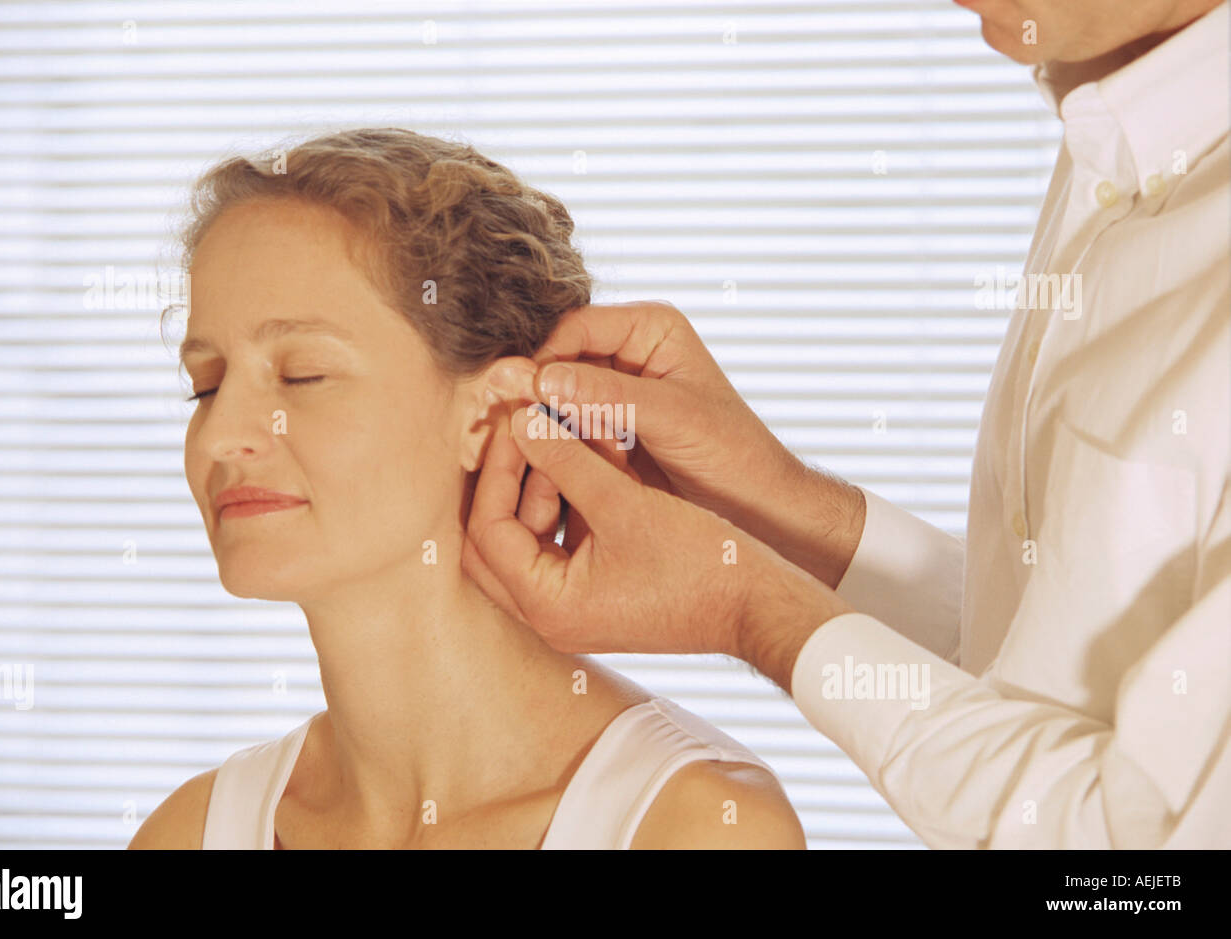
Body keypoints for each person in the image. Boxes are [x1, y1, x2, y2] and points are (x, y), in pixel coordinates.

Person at [465, 0, 1231, 847]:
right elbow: (1043, 672)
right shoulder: (1122, 130)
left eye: (310, 373)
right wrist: (777, 506)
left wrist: (748, 604)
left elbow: (1141, 857)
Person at [127, 128, 805, 850]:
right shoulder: (190, 833)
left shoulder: (693, 827)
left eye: (302, 375)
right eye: (205, 385)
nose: (220, 434)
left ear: (488, 415)